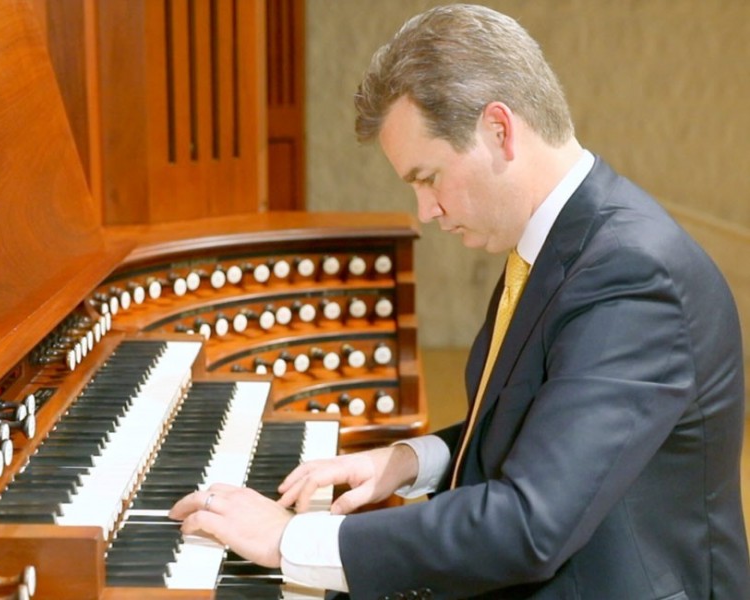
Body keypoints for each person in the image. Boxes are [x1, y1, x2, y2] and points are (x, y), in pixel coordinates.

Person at [169, 4, 750, 598]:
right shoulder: (563, 239)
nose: (426, 210)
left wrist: (288, 540)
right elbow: (540, 428)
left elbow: (529, 526)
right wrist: (405, 461)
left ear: (499, 130)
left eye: (428, 178)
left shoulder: (630, 274)